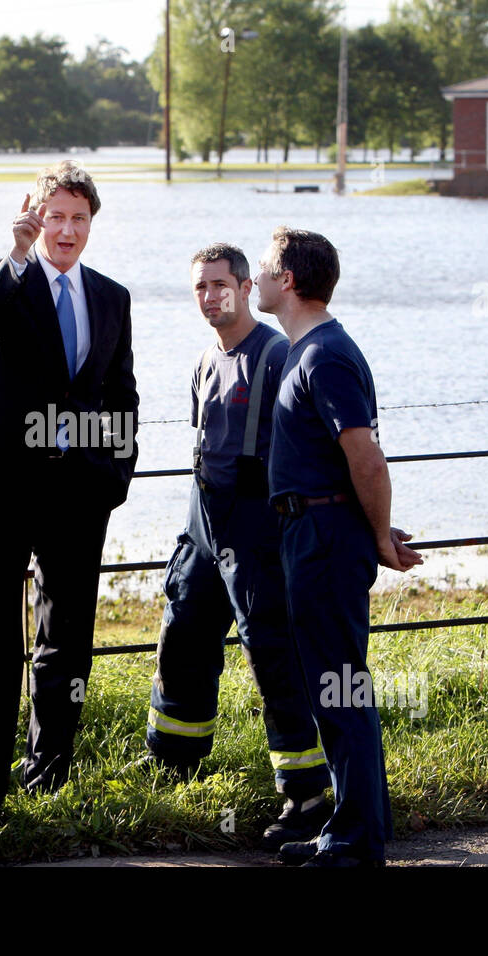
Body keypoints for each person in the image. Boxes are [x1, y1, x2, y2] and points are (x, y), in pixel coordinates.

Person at [0, 161, 139, 838]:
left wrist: (115, 475)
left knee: (67, 639)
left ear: (91, 223)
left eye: (78, 218)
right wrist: (16, 252)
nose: (66, 229)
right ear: (33, 216)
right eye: (53, 216)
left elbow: (120, 394)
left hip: (79, 494)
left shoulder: (112, 297)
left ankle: (49, 768)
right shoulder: (0, 275)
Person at [142, 243, 332, 850]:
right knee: (183, 633)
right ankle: (174, 762)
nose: (211, 296)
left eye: (222, 284)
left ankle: (306, 794)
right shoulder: (203, 361)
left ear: (248, 287)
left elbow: (315, 448)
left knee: (271, 651)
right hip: (202, 522)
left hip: (257, 525)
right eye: (200, 286)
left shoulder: (278, 356)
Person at [256, 226, 423, 868]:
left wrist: (377, 535)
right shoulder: (311, 350)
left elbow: (366, 457)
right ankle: (353, 830)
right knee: (337, 686)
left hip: (325, 538)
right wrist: (366, 527)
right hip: (317, 531)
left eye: (264, 270)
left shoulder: (324, 354)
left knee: (342, 687)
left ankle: (356, 842)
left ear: (288, 281)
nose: (256, 282)